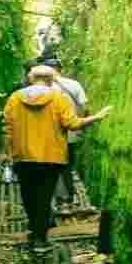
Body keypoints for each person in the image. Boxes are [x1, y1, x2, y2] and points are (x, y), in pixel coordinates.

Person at [1, 65, 112, 251]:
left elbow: (7, 128)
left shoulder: (14, 98)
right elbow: (72, 124)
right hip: (51, 156)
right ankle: (40, 239)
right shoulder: (59, 99)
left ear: (30, 78)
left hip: (23, 156)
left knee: (28, 195)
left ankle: (34, 230)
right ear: (51, 80)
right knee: (44, 196)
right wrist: (96, 117)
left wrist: (6, 152)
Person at [43, 57, 88, 205]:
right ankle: (68, 195)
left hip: (50, 134)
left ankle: (56, 197)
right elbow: (84, 106)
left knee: (52, 164)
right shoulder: (74, 84)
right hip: (72, 131)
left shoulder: (44, 87)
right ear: (60, 68)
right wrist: (80, 122)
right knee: (68, 164)